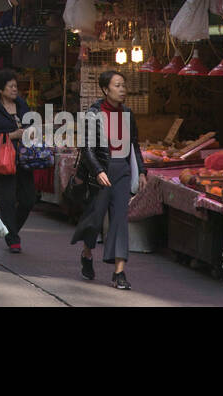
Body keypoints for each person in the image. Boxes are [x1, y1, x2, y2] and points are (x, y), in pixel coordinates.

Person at [72, 70, 147, 290]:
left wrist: (141, 171)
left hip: (122, 170)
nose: (122, 89)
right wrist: (97, 171)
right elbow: (86, 148)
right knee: (95, 219)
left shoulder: (128, 114)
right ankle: (87, 253)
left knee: (120, 219)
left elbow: (134, 145)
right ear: (105, 90)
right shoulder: (94, 114)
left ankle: (119, 271)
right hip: (101, 172)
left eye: (124, 85)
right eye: (117, 85)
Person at [0, 69, 35, 253]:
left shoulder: (22, 105)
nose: (15, 89)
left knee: (29, 198)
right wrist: (12, 135)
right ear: (0, 90)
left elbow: (30, 124)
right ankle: (13, 237)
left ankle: (11, 230)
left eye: (16, 86)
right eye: (11, 86)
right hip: (4, 160)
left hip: (24, 159)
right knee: (8, 199)